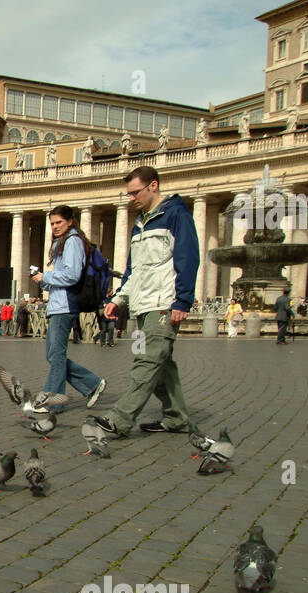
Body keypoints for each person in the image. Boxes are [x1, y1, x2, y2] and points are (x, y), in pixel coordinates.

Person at [92, 166, 199, 438]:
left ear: (153, 185)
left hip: (163, 303)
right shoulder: (140, 223)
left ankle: (121, 417)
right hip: (142, 305)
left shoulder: (176, 214)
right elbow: (133, 271)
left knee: (148, 361)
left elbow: (188, 258)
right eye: (128, 194)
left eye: (135, 192)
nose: (131, 199)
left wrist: (182, 301)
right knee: (160, 364)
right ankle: (176, 417)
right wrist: (119, 300)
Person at [31, 205, 106, 412]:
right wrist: (43, 280)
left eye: (59, 222)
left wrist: (45, 276)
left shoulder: (72, 242)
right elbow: (64, 276)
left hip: (65, 304)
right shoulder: (62, 242)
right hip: (59, 303)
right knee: (54, 355)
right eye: (52, 223)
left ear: (70, 221)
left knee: (56, 355)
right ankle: (92, 384)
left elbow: (72, 275)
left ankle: (53, 401)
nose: (55, 227)